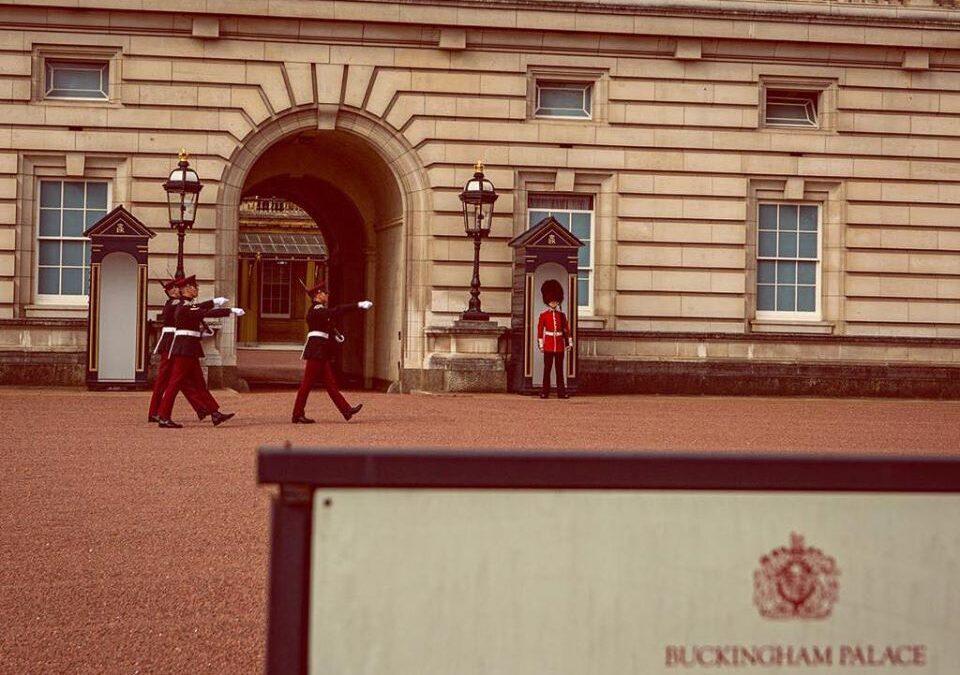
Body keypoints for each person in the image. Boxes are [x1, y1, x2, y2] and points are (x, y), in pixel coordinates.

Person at [156, 275, 244, 428]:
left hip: (189, 349)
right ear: (188, 289)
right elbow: (204, 312)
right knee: (175, 383)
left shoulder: (186, 304)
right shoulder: (184, 305)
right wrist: (230, 311)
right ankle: (164, 416)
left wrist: (214, 302)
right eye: (195, 287)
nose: (197, 290)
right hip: (184, 350)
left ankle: (215, 413)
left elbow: (200, 308)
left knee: (199, 384)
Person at [292, 282, 372, 423]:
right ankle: (297, 413)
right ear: (318, 294)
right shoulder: (316, 309)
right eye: (325, 293)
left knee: (331, 384)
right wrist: (357, 305)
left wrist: (335, 334)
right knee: (307, 384)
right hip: (316, 350)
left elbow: (327, 323)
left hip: (321, 350)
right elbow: (336, 311)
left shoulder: (319, 310)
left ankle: (346, 410)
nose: (327, 295)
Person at [147, 277, 212, 423]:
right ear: (170, 292)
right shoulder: (175, 303)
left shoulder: (176, 302)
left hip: (178, 342)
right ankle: (157, 412)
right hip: (173, 342)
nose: (178, 290)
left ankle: (201, 407)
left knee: (181, 379)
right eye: (175, 288)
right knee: (169, 379)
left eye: (178, 287)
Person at [536, 279, 572, 399]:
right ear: (547, 301)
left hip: (560, 345)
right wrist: (541, 345)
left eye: (555, 301)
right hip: (549, 345)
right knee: (547, 370)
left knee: (559, 370)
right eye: (551, 301)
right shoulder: (544, 315)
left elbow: (566, 330)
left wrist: (569, 343)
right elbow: (540, 331)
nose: (553, 303)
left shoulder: (562, 316)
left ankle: (561, 392)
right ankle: (544, 391)